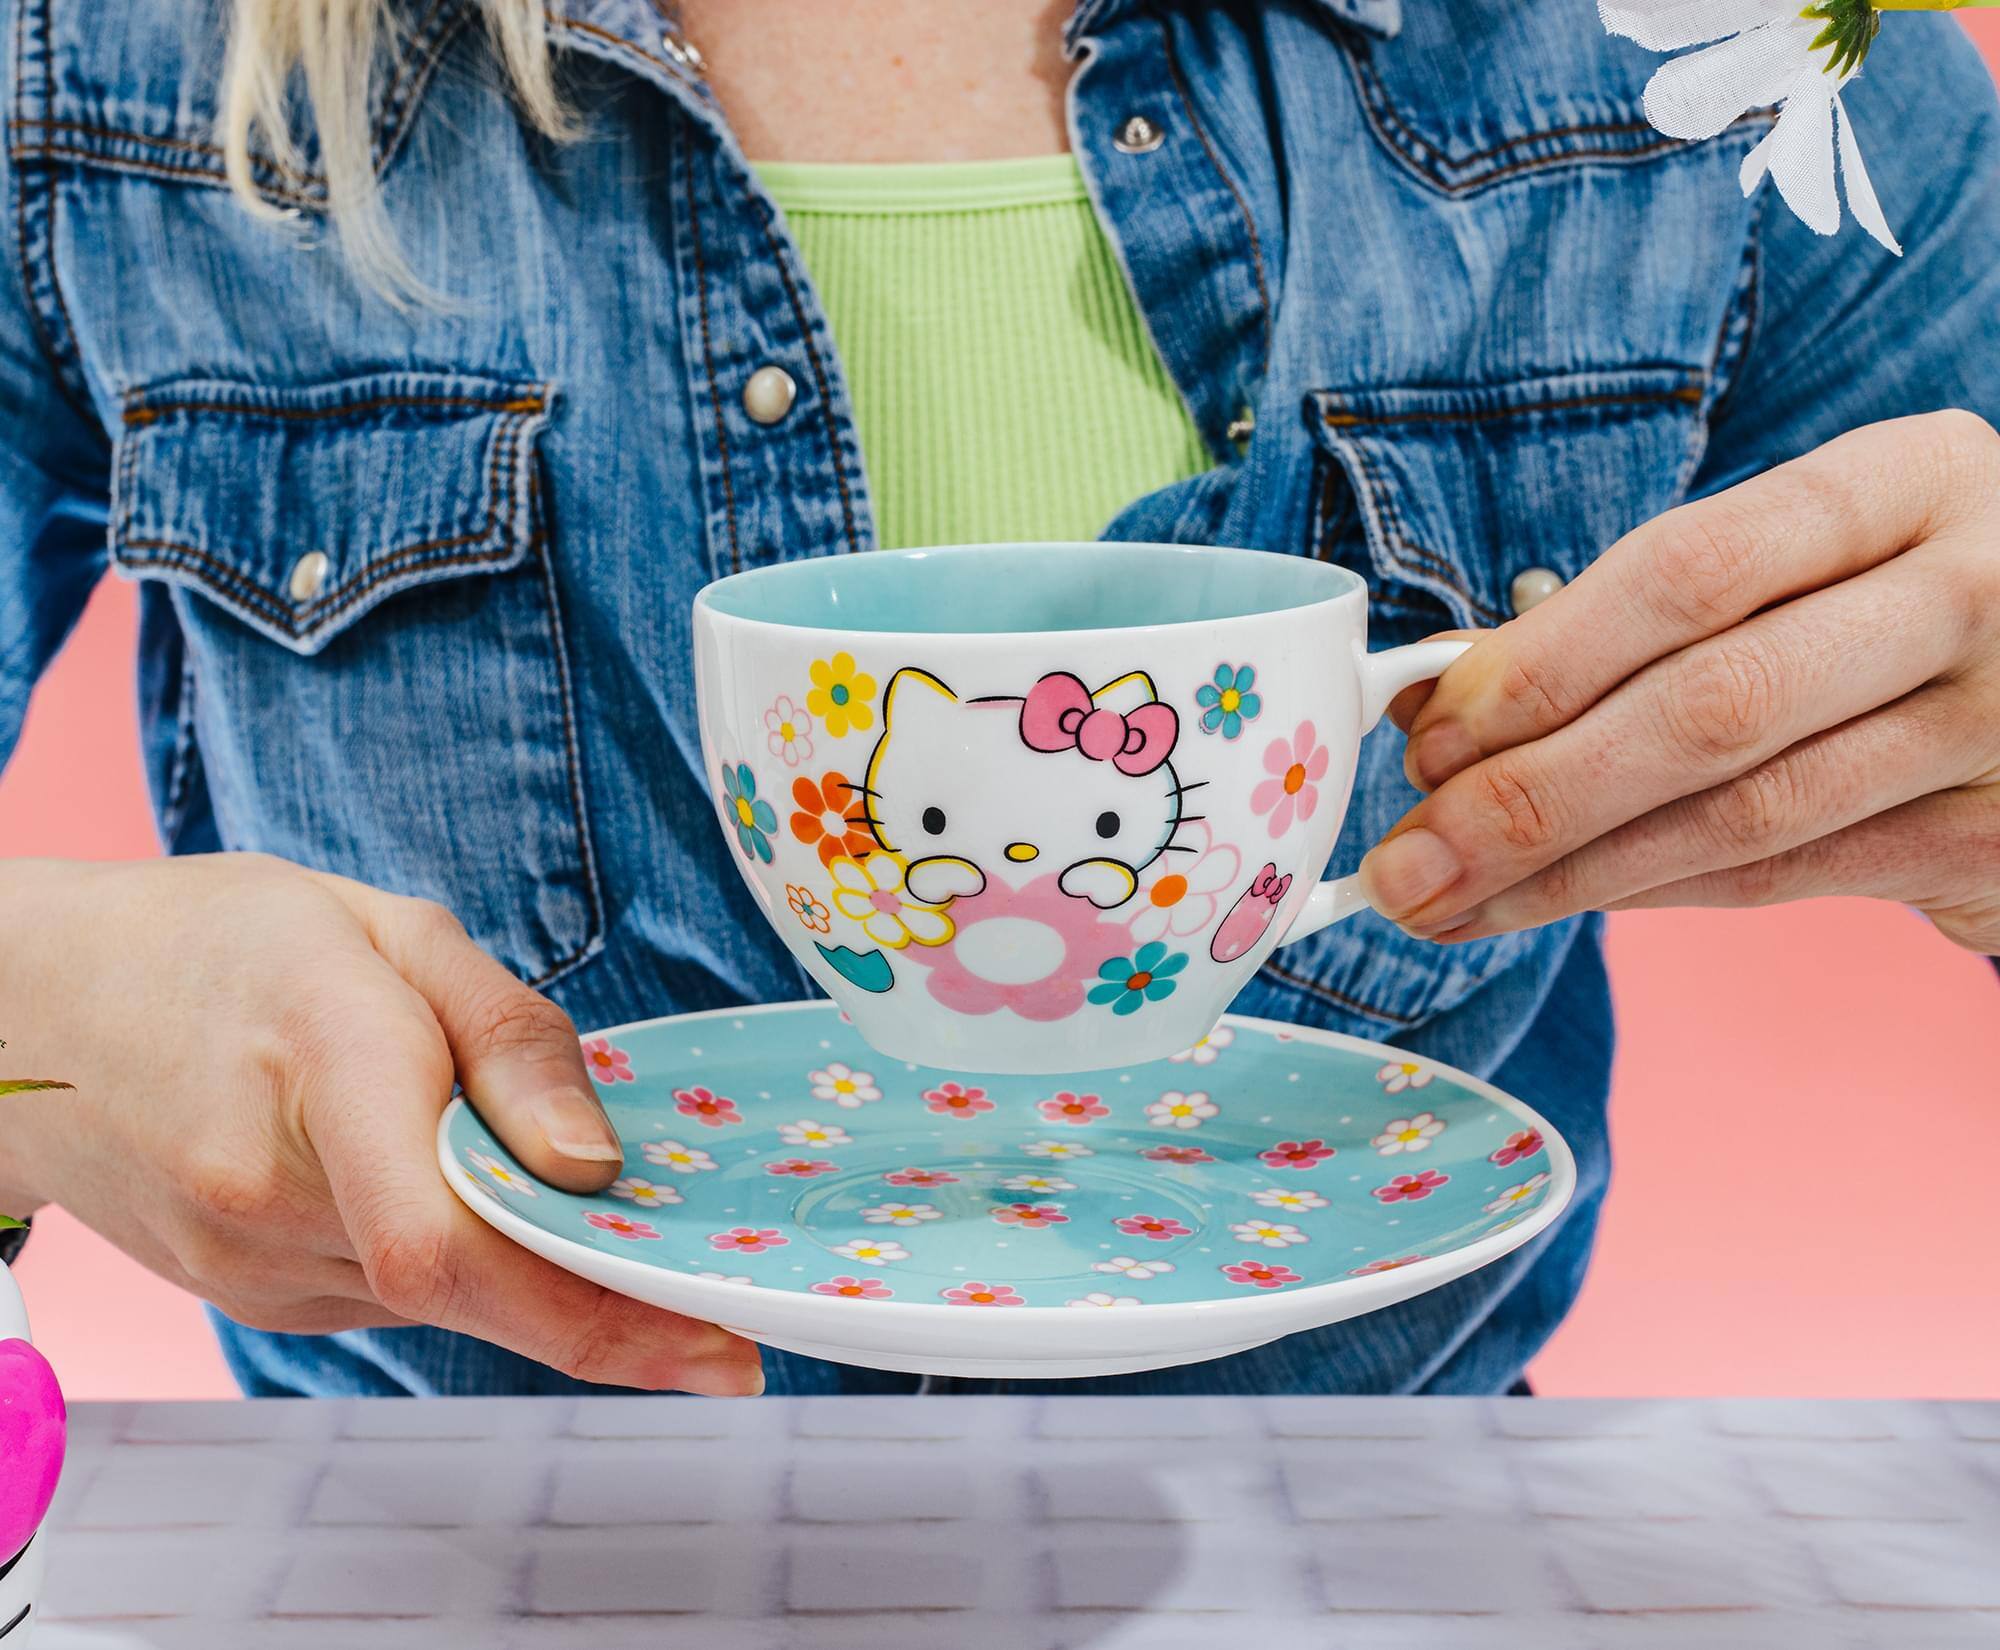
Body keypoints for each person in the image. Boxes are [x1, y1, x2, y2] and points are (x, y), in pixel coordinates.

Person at [0, 0, 1995, 1400]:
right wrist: (35, 1024)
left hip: (1379, 1571)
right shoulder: (87, 53)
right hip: (453, 1579)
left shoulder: (1729, 32)